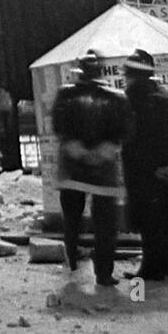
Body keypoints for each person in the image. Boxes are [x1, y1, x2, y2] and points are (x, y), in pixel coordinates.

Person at [51, 49, 131, 286]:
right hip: (104, 169)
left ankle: (73, 262)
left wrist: (77, 148)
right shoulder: (117, 97)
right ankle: (104, 273)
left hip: (72, 167)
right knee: (105, 224)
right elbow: (126, 131)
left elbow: (57, 126)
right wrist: (104, 149)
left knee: (72, 220)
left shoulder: (65, 95)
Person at [122, 48, 168, 280]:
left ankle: (150, 272)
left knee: (150, 225)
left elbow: (131, 145)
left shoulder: (128, 104)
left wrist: (151, 169)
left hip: (144, 177)